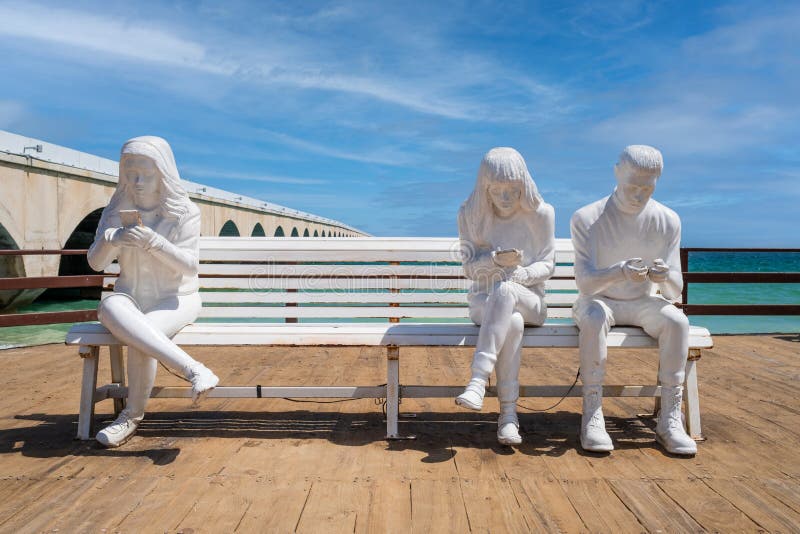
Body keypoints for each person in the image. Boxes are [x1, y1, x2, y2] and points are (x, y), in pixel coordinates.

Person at [87, 136, 219, 448]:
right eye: (131, 173)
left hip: (176, 299)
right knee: (110, 306)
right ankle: (194, 370)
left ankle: (131, 416)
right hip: (130, 300)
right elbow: (95, 262)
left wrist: (154, 242)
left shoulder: (184, 212)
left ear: (163, 173)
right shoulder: (115, 211)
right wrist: (113, 239)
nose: (138, 182)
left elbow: (190, 267)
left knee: (141, 340)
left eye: (146, 174)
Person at [571, 144, 696, 455]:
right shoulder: (588, 217)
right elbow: (585, 284)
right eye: (632, 186)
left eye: (647, 188)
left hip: (642, 302)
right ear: (617, 173)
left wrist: (663, 276)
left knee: (677, 322)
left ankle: (670, 418)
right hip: (598, 300)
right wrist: (619, 272)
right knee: (594, 317)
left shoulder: (668, 220)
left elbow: (674, 291)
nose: (639, 195)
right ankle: (592, 412)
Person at [455, 147, 555, 445]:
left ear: (524, 183)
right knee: (511, 322)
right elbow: (470, 269)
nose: (506, 197)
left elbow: (548, 263)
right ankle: (508, 416)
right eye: (497, 190)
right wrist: (494, 261)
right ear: (485, 187)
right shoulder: (470, 215)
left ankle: (478, 380)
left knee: (508, 291)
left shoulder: (541, 213)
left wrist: (521, 274)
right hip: (484, 303)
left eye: (512, 189)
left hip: (530, 301)